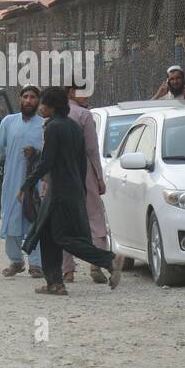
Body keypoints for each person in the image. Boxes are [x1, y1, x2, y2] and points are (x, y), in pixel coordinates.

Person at [21, 88, 123, 295]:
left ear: (51, 106)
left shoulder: (53, 127)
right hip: (73, 189)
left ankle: (108, 260)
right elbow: (82, 162)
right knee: (48, 235)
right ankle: (55, 283)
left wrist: (27, 184)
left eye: (43, 104)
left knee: (61, 237)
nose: (40, 107)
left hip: (59, 192)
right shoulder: (74, 127)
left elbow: (46, 162)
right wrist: (82, 188)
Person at [0, 86, 45, 277]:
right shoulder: (9, 122)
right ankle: (16, 261)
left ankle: (36, 264)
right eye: (25, 97)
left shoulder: (45, 125)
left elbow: (50, 155)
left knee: (35, 221)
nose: (28, 101)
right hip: (13, 181)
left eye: (32, 97)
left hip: (37, 183)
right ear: (20, 99)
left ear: (38, 102)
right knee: (12, 219)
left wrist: (36, 154)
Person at [60, 84, 111, 284]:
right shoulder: (84, 115)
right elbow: (92, 149)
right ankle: (96, 264)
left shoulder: (53, 116)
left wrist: (46, 182)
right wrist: (99, 177)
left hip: (62, 175)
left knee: (64, 222)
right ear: (72, 92)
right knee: (95, 218)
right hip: (85, 173)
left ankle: (68, 270)